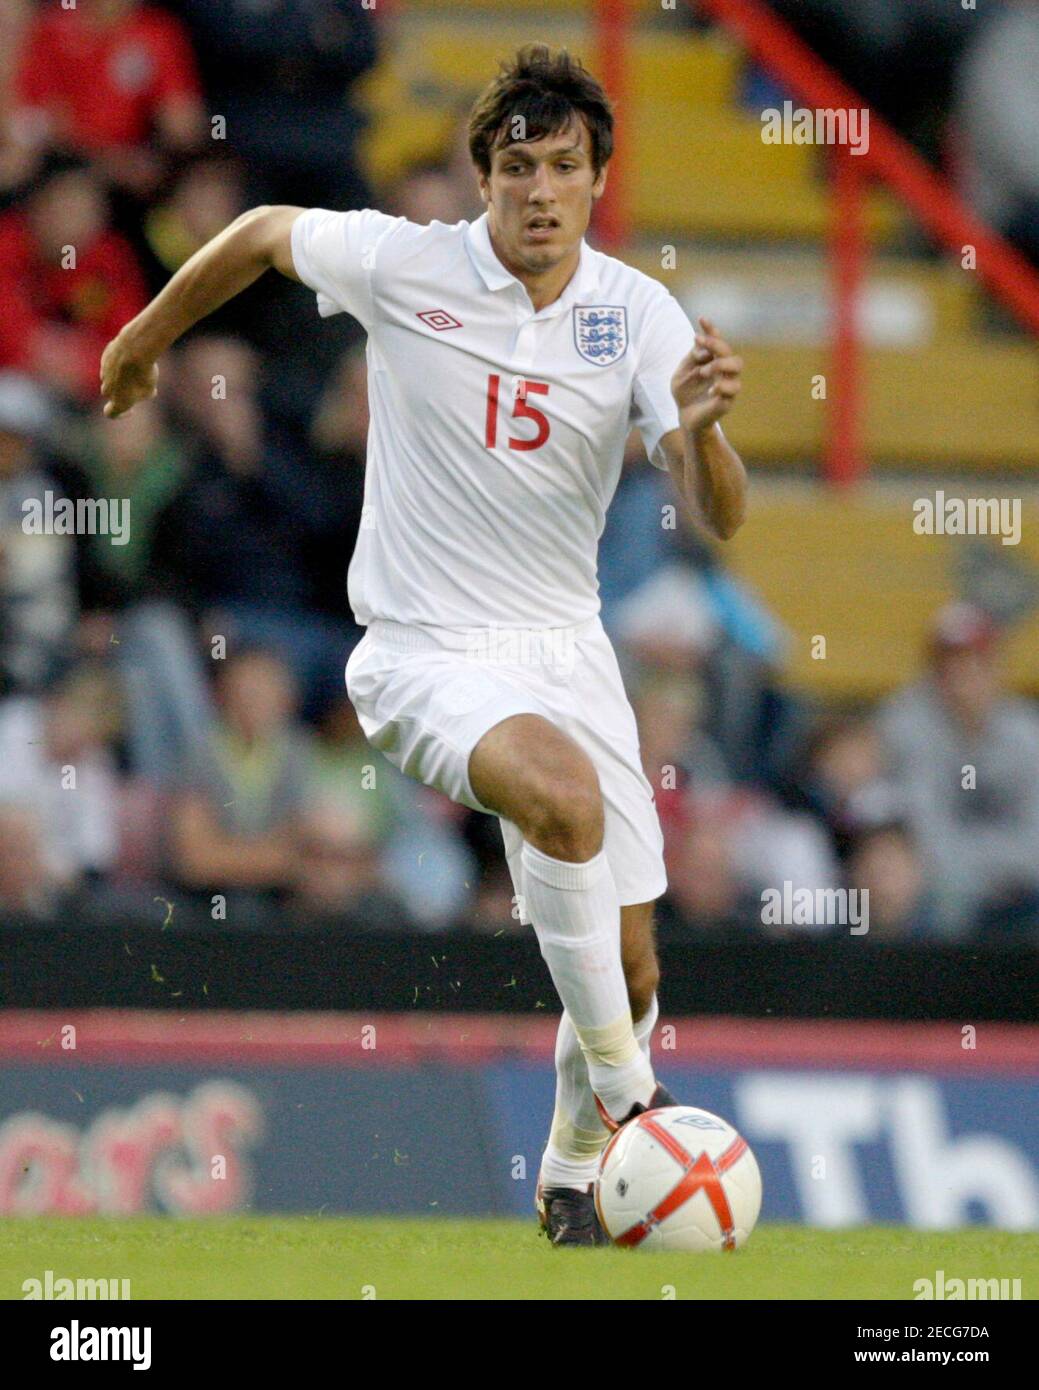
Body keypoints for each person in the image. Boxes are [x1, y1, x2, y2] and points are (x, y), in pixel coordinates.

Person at [99, 44, 748, 1247]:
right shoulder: (408, 264)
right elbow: (256, 231)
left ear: (597, 178)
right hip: (421, 650)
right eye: (516, 167)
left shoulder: (636, 313)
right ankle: (633, 1107)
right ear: (483, 179)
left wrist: (704, 434)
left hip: (567, 648)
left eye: (563, 165)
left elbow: (722, 510)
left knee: (635, 969)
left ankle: (567, 1170)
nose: (539, 190)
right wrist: (143, 335)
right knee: (560, 806)